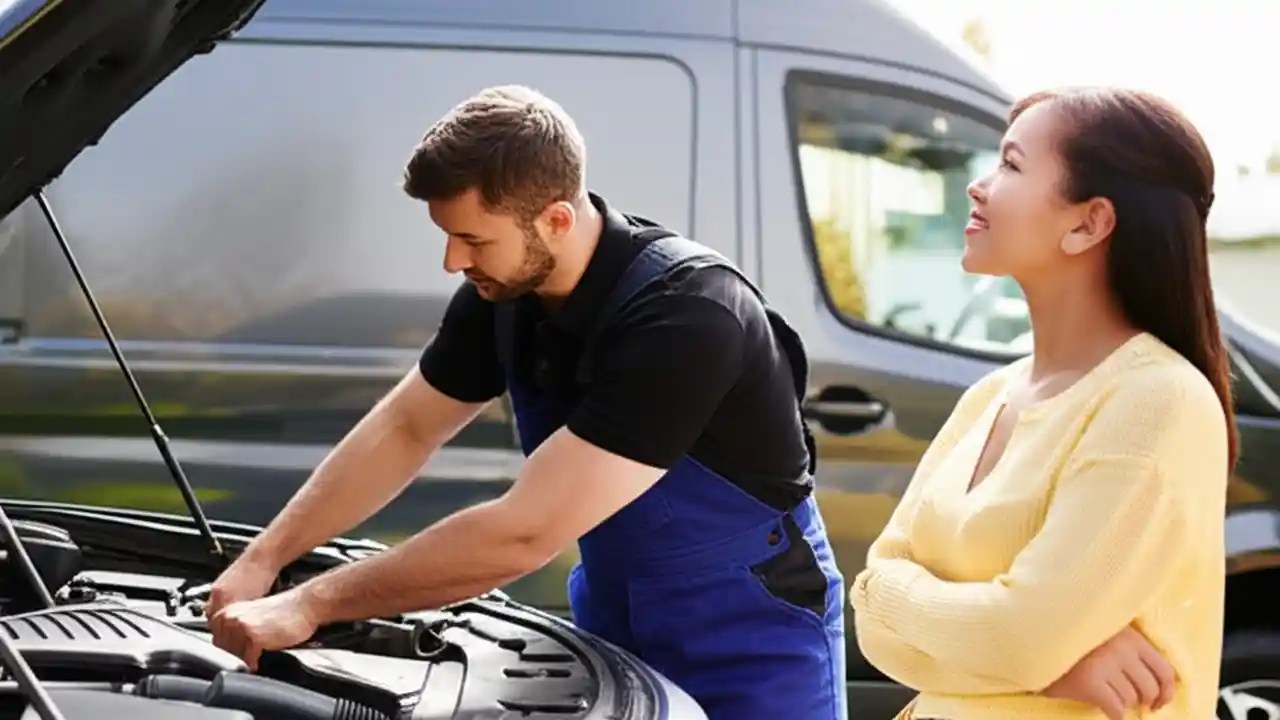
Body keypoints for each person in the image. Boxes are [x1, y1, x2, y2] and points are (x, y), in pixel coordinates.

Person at [204, 85, 847, 720]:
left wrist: (308, 604)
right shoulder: (505, 294)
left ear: (557, 219)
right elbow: (405, 429)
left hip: (750, 640)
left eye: (474, 240)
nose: (453, 260)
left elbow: (524, 532)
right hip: (611, 622)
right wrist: (265, 557)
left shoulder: (690, 319)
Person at [850, 86, 1234, 720]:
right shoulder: (988, 397)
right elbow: (871, 621)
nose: (978, 186)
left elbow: (1019, 634)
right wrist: (1052, 668)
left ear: (1088, 223)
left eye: (1011, 164)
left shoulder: (1157, 401)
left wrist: (1010, 643)